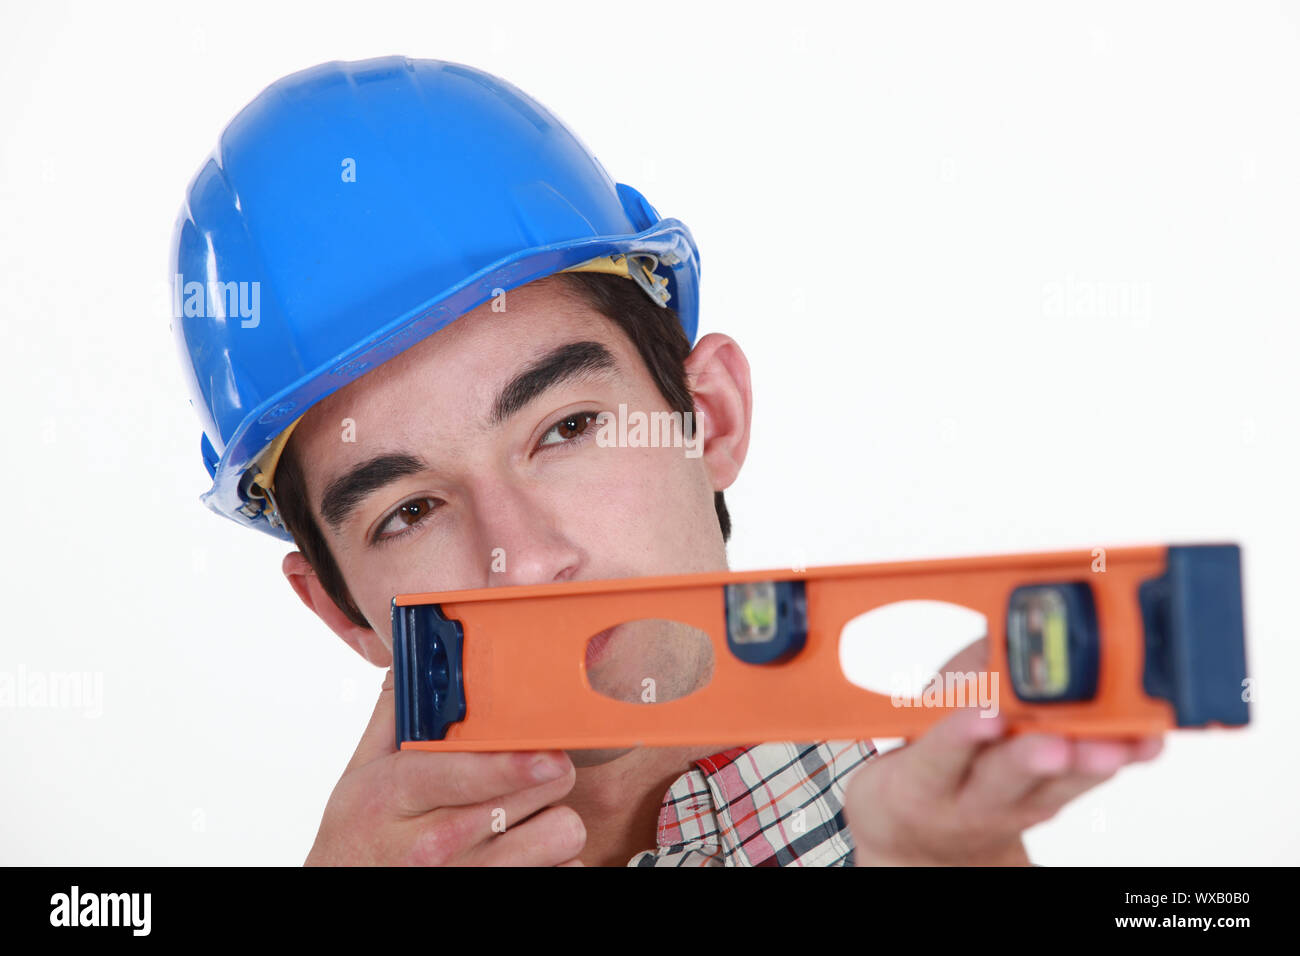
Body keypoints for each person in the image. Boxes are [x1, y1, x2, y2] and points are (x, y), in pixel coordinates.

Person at [171, 56, 1163, 866]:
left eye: (563, 429)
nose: (524, 557)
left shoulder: (920, 835)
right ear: (343, 609)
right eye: (409, 510)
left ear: (711, 415)